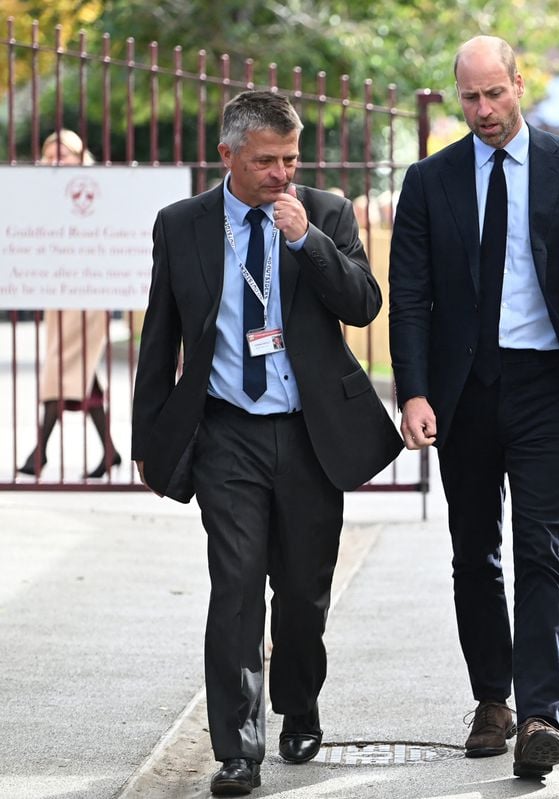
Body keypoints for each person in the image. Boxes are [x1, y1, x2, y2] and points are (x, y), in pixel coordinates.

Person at [132, 90, 402, 796]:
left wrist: (305, 240)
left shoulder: (326, 211)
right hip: (227, 431)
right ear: (229, 156)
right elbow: (158, 338)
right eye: (266, 161)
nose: (282, 173)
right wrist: (145, 436)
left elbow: (364, 303)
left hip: (309, 432)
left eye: (290, 158)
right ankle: (238, 747)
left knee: (305, 595)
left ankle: (300, 704)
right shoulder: (183, 224)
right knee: (237, 585)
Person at [389, 35, 559, 779]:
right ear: (456, 96)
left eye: (496, 93)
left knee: (539, 550)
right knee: (474, 552)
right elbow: (412, 297)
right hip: (464, 391)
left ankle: (538, 715)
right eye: (471, 97)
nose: (484, 110)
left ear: (519, 84)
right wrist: (415, 390)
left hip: (549, 386)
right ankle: (492, 699)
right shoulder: (431, 180)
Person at [19, 129, 122, 479]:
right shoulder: (43, 194)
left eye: (65, 153)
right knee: (78, 375)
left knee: (61, 372)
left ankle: (40, 451)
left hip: (89, 293)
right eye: (51, 154)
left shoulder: (96, 189)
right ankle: (109, 452)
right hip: (58, 291)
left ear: (81, 157)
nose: (57, 160)